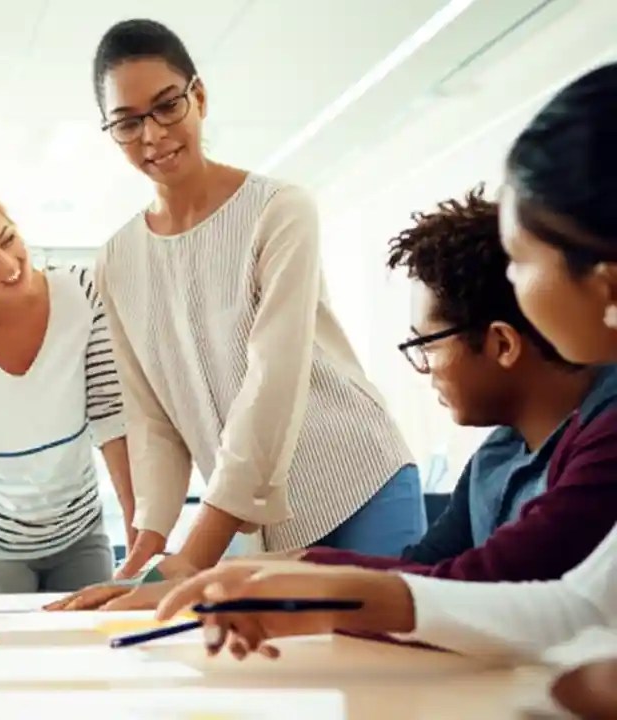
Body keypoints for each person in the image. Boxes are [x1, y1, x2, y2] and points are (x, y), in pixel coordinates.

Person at [153, 62, 617, 676]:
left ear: (606, 283)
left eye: (522, 260)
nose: (513, 280)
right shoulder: (501, 453)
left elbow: (507, 588)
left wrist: (316, 588)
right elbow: (573, 606)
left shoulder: (606, 431)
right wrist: (292, 579)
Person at [77, 18, 421, 592]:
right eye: (127, 122)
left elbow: (272, 382)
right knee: (279, 653)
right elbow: (152, 417)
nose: (152, 135)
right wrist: (147, 543)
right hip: (255, 519)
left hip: (360, 481)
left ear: (199, 97)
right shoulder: (116, 261)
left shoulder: (280, 210)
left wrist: (195, 556)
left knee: (379, 646)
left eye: (167, 106)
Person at [297, 188, 617, 581]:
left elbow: (496, 578)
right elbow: (425, 568)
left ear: (502, 344)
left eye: (427, 345)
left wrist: (307, 570)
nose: (423, 369)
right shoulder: (496, 453)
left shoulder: (605, 435)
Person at [0, 182, 135, 597]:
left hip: (79, 533)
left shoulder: (82, 292)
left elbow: (111, 419)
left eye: (8, 239)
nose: (8, 263)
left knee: (88, 637)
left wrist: (139, 540)